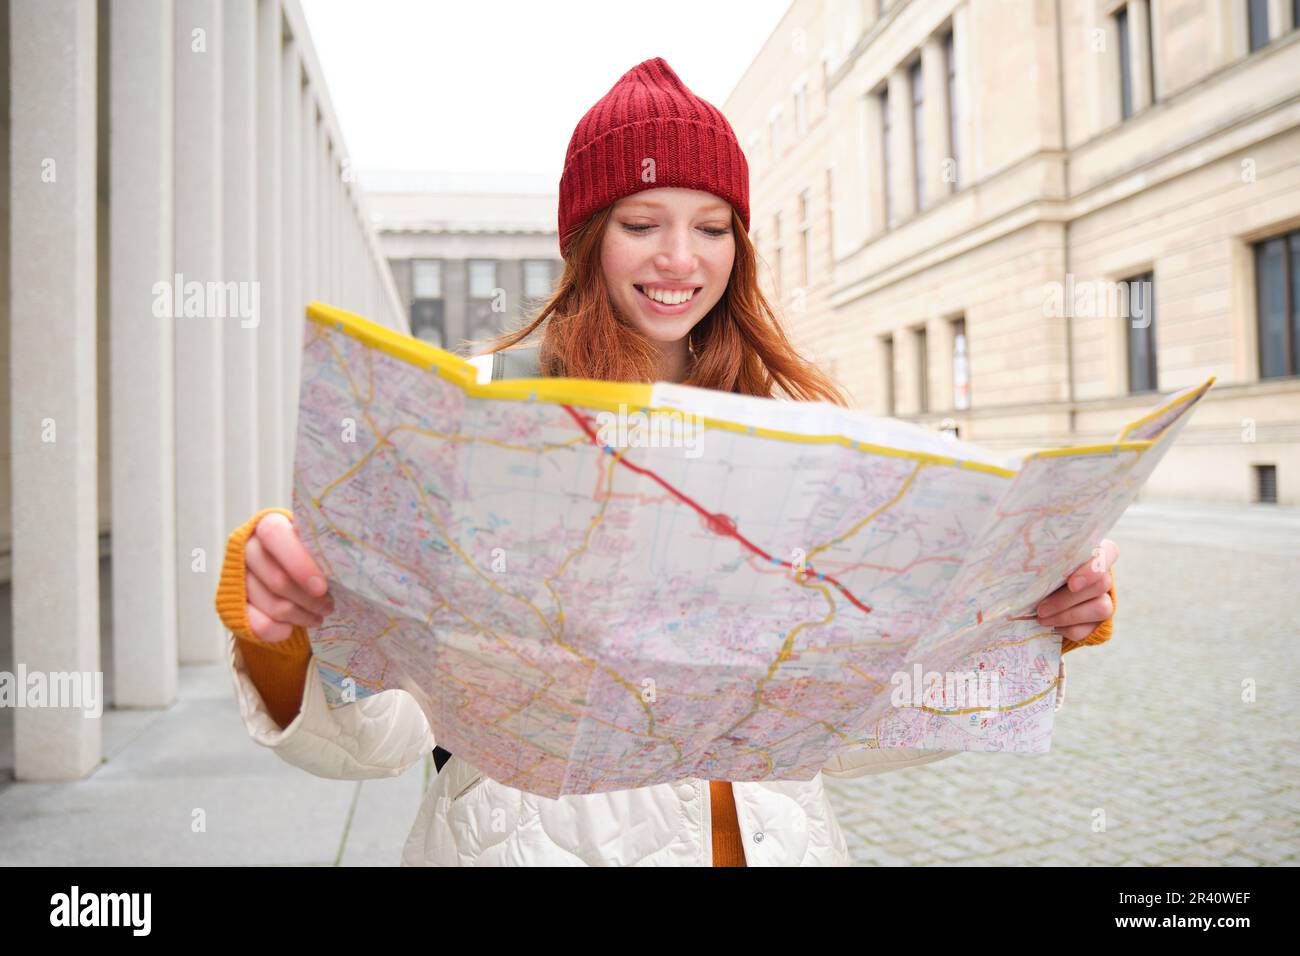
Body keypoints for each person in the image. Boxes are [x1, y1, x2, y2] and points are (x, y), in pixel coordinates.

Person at [214, 57, 1117, 866]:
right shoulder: (479, 422)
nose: (681, 259)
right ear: (587, 238)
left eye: (714, 227)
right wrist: (288, 639)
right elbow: (383, 738)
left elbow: (850, 725)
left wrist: (1026, 626)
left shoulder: (797, 427)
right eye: (643, 223)